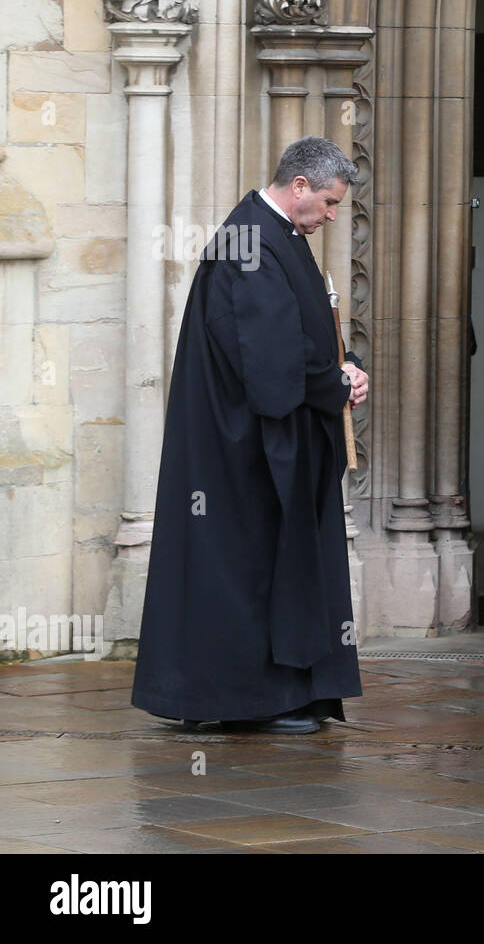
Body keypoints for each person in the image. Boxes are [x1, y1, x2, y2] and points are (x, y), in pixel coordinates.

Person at [131, 136, 368, 734]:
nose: (333, 217)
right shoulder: (253, 245)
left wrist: (341, 365)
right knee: (249, 568)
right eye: (331, 204)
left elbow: (300, 334)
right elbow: (270, 370)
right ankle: (255, 698)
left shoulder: (270, 234)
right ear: (299, 188)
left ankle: (277, 693)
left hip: (257, 437)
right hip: (245, 449)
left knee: (255, 565)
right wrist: (335, 386)